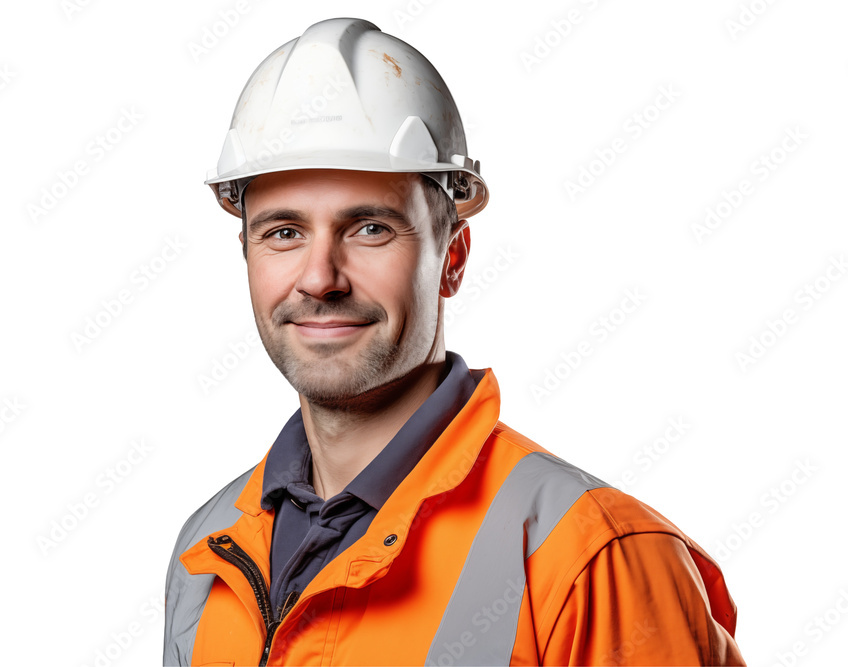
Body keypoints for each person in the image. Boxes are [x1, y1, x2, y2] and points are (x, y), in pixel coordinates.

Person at [164, 17, 744, 666]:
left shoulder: (592, 556)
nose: (319, 278)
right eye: (283, 232)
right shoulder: (208, 550)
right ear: (246, 251)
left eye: (370, 229)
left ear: (453, 257)